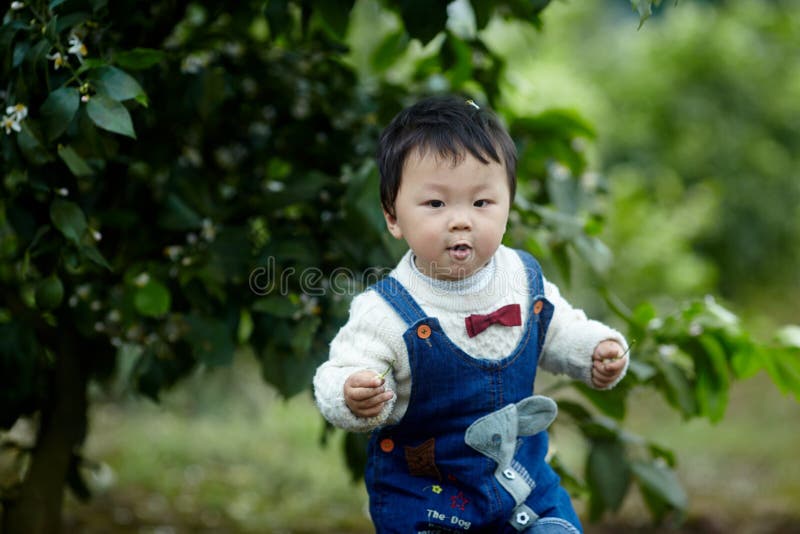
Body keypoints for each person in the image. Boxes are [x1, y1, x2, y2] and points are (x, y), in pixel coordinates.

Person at [313, 95, 629, 534]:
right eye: (436, 205)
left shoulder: (522, 277)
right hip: (428, 499)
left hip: (524, 488)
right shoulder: (384, 312)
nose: (461, 220)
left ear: (508, 204)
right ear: (393, 216)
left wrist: (594, 349)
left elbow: (559, 330)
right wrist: (350, 394)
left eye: (481, 203)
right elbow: (338, 371)